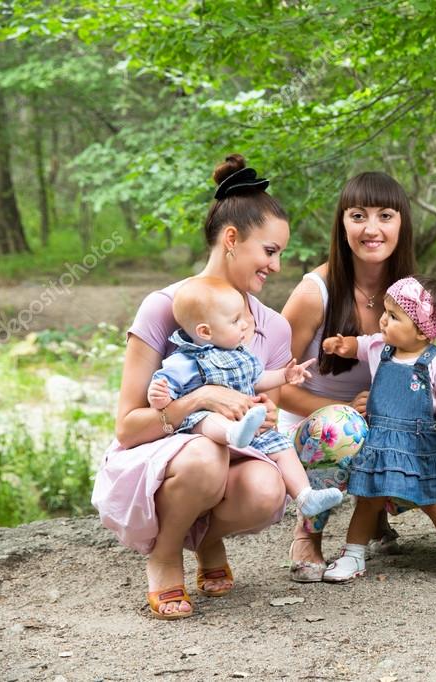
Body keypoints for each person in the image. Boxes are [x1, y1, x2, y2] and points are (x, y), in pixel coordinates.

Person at [92, 154, 293, 620]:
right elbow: (127, 428)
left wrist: (264, 410)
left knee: (267, 488)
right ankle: (164, 553)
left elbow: (268, 428)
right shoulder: (162, 308)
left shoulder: (274, 329)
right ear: (231, 240)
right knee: (205, 458)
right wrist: (200, 399)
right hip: (163, 453)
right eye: (270, 250)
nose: (276, 266)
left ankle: (209, 537)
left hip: (232, 456)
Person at [278, 171, 418, 582]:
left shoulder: (411, 294)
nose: (371, 229)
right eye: (358, 215)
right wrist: (343, 408)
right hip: (315, 428)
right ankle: (308, 532)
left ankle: (372, 515)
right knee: (343, 428)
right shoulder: (314, 292)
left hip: (379, 423)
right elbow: (273, 382)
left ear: (402, 224)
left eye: (385, 216)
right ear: (342, 224)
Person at [318, 275, 436, 582]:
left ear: (421, 331)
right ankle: (353, 555)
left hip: (418, 444)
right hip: (380, 443)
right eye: (385, 312)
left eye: (393, 316)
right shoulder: (380, 347)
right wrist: (341, 345)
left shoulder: (435, 362)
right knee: (368, 501)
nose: (383, 320)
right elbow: (357, 346)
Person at [147, 276, 343, 518]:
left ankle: (305, 496)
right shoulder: (185, 359)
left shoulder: (241, 355)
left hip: (246, 427)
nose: (244, 325)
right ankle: (233, 433)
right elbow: (166, 388)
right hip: (207, 431)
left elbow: (258, 379)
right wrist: (159, 397)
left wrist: (285, 374)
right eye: (235, 320)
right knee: (207, 420)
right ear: (205, 331)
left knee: (281, 446)